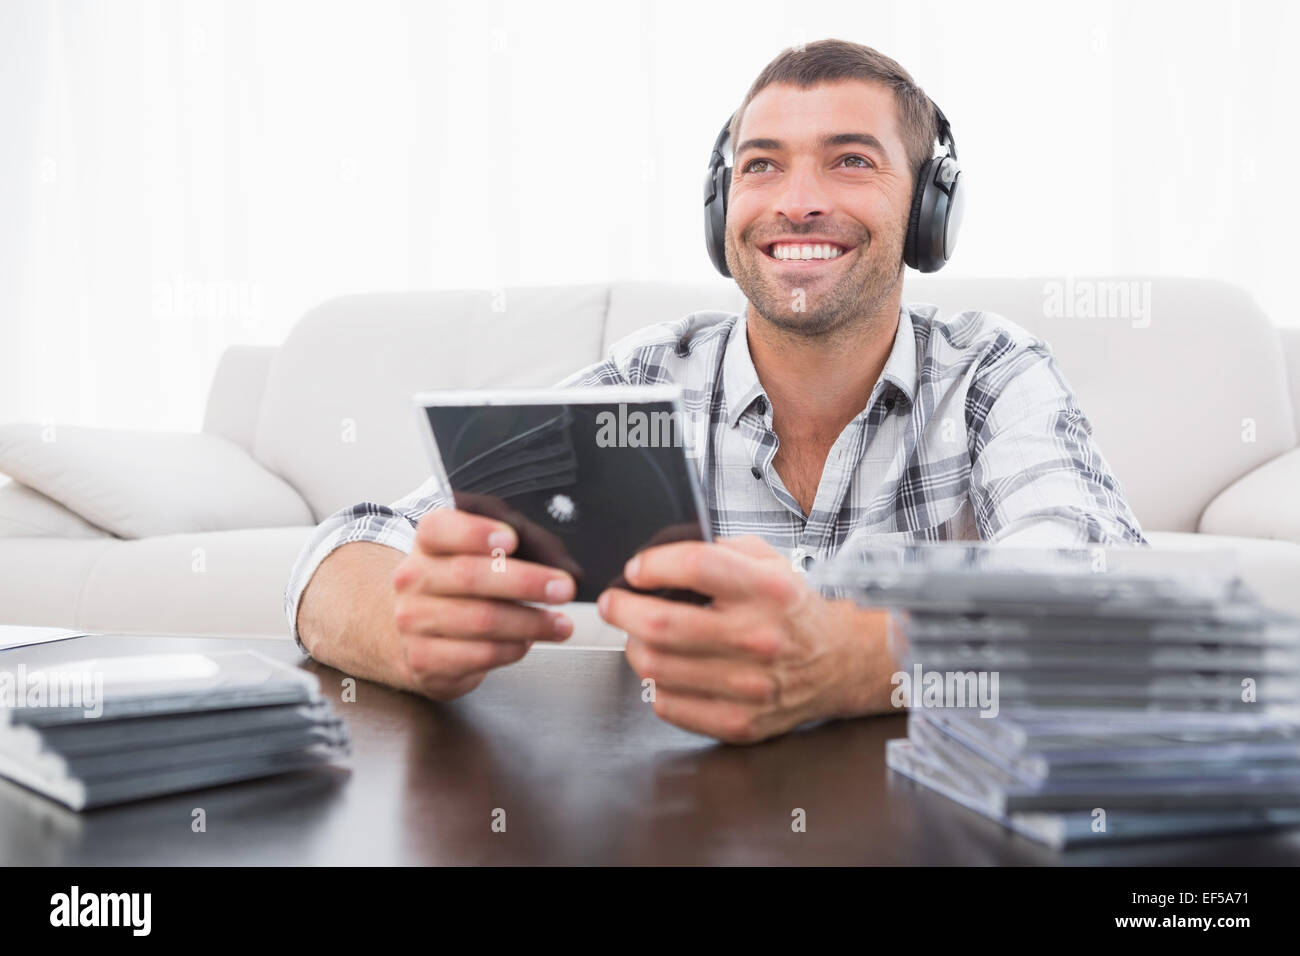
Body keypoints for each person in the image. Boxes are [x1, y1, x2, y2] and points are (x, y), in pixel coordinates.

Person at [286, 38, 1147, 744]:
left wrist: (852, 658)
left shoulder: (991, 371)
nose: (798, 203)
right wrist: (404, 624)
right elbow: (349, 546)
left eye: (850, 161)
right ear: (722, 209)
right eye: (763, 166)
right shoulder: (649, 378)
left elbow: (1110, 598)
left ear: (930, 208)